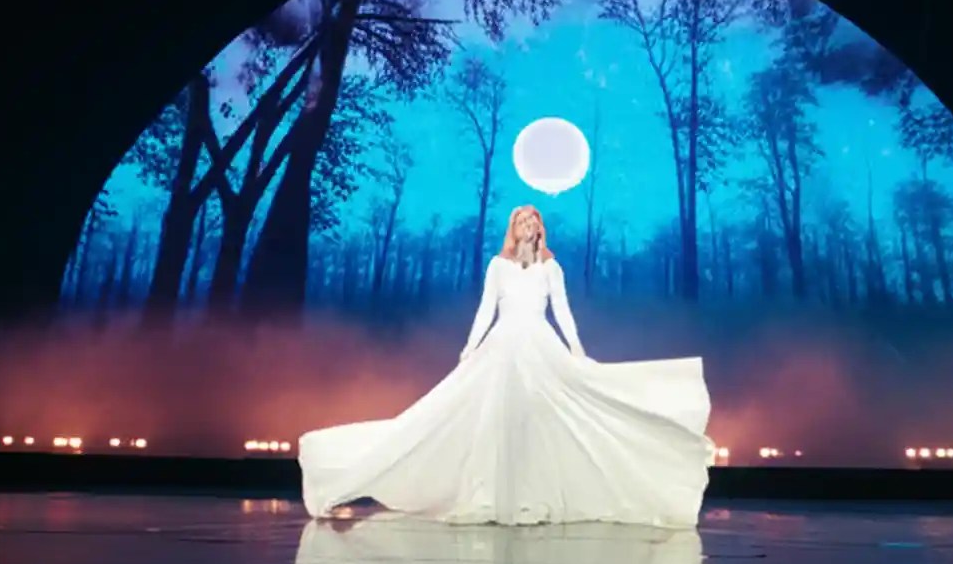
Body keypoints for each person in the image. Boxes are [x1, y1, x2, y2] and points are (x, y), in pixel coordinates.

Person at [298, 205, 713, 527]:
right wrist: (469, 347)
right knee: (485, 418)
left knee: (538, 421)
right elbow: (485, 310)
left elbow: (563, 311)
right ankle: (481, 496)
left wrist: (576, 349)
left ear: (540, 227)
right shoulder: (498, 266)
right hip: (502, 347)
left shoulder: (552, 267)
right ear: (513, 228)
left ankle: (531, 498)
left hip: (539, 346)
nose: (528, 225)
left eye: (533, 220)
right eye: (521, 221)